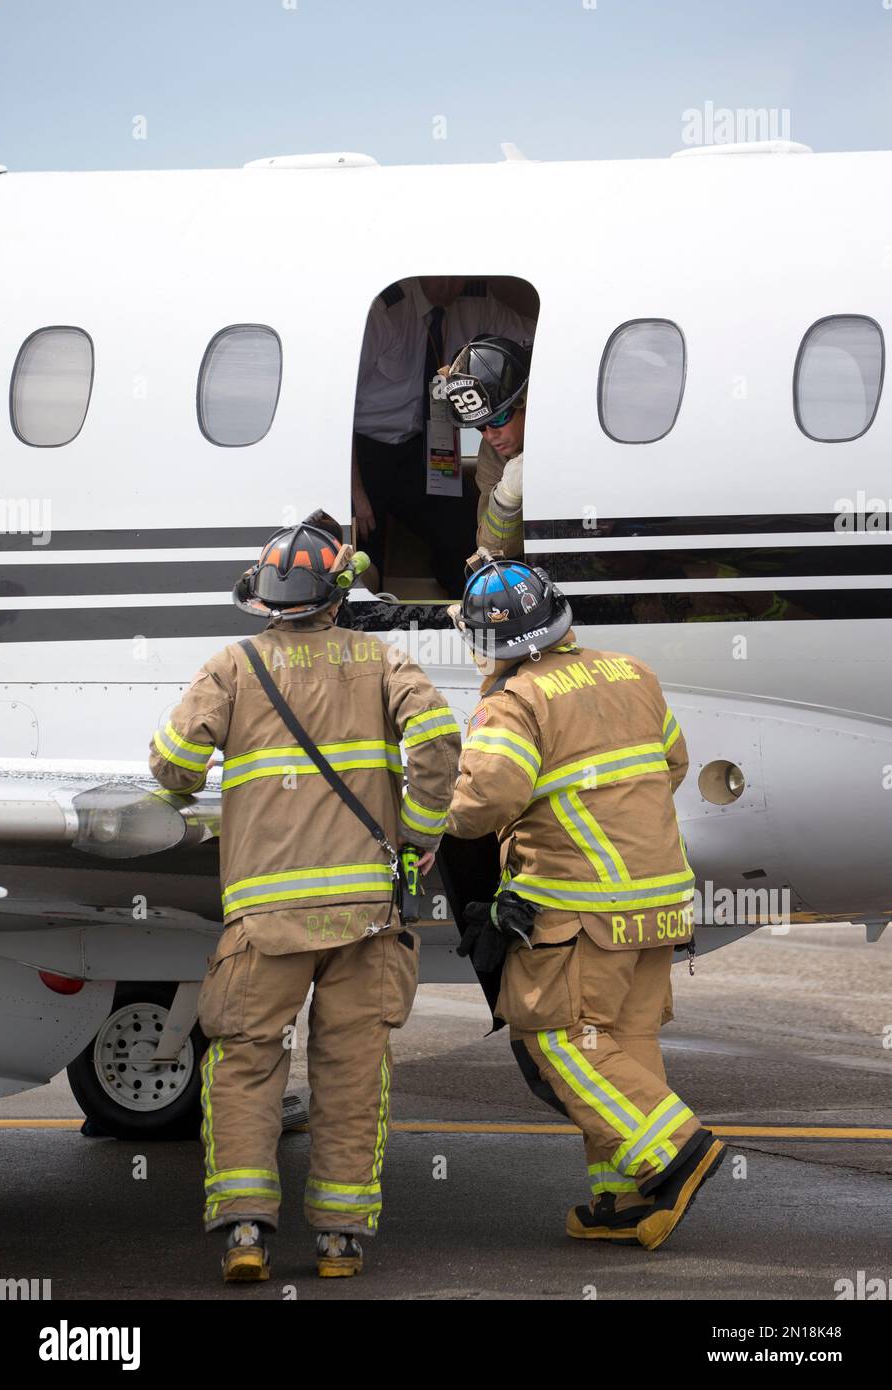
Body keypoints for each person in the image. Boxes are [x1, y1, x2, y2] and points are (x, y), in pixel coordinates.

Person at [148, 516, 460, 1281]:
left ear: (263, 598)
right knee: (352, 1069)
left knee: (247, 1064)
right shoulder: (383, 661)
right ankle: (339, 1240)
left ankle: (247, 1232)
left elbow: (174, 767)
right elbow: (439, 741)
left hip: (265, 921)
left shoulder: (231, 666)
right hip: (365, 913)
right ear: (337, 594)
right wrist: (417, 839)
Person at [445, 559, 724, 1250]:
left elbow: (485, 802)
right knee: (623, 1044)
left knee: (556, 1039)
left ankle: (674, 1152)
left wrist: (431, 822)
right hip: (655, 901)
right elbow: (672, 763)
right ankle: (625, 1199)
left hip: (580, 909)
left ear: (483, 643)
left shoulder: (512, 702)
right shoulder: (630, 672)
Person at [353, 277, 535, 595]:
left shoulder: (480, 303)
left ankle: (470, 605)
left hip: (425, 447)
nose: (450, 286)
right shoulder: (386, 312)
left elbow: (548, 341)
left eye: (457, 277)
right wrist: (356, 494)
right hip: (365, 449)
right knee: (365, 545)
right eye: (480, 427)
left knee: (456, 530)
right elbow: (335, 405)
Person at [444, 335, 530, 560]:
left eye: (499, 418)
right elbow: (491, 551)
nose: (491, 436)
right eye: (480, 426)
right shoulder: (492, 455)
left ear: (525, 402)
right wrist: (506, 499)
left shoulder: (568, 434)